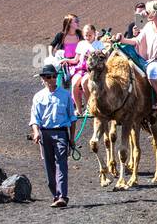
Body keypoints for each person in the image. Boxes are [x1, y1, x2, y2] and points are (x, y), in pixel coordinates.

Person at [29, 62, 78, 208]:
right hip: (45, 134)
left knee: (61, 164)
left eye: (53, 76)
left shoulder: (65, 95)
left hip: (61, 133)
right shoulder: (38, 97)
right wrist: (36, 132)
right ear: (42, 79)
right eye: (48, 77)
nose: (51, 79)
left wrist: (71, 138)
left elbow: (72, 118)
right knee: (49, 166)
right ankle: (55, 195)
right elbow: (34, 118)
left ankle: (62, 196)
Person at [70, 23, 103, 112]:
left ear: (94, 34)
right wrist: (65, 60)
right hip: (81, 69)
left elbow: (102, 58)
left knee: (85, 82)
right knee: (74, 84)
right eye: (86, 35)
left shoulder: (99, 44)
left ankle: (90, 107)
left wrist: (94, 55)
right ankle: (78, 108)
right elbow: (76, 60)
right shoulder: (81, 44)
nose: (88, 37)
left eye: (90, 35)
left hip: (92, 69)